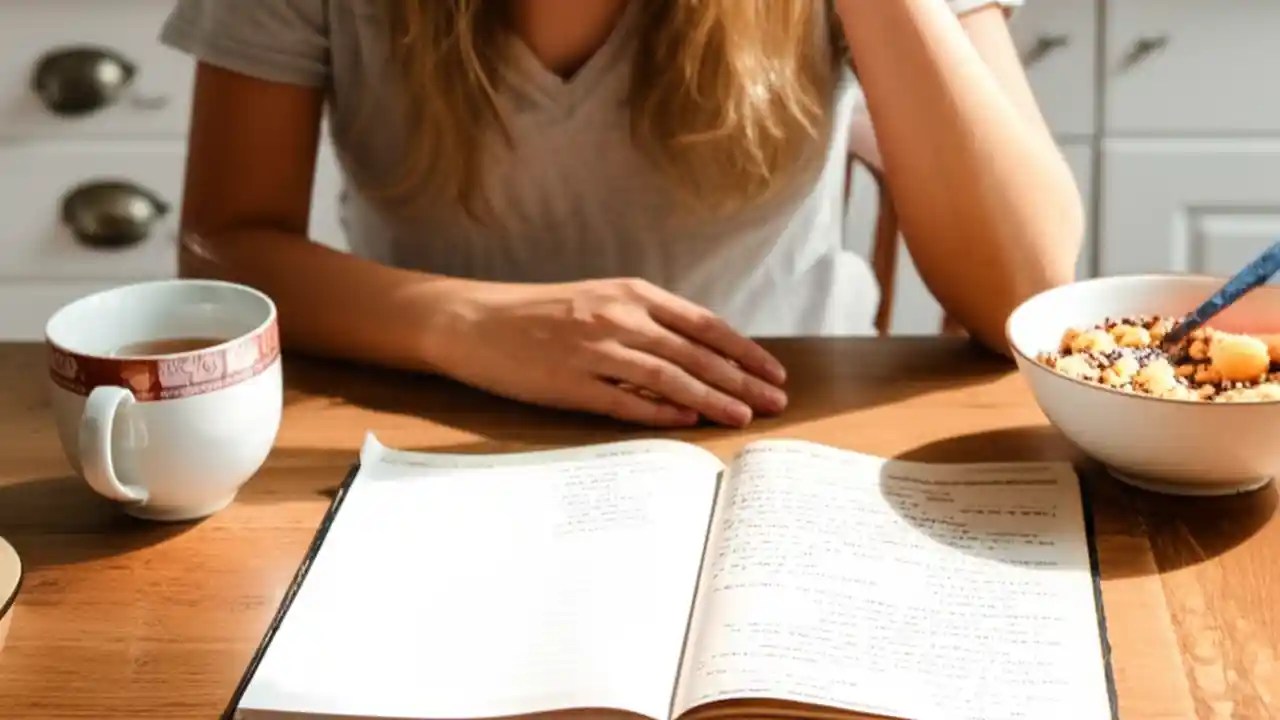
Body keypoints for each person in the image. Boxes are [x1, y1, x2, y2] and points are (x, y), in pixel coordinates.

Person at [160, 0, 1082, 428]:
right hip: (427, 430)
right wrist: (466, 323)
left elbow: (1026, 294)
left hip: (788, 434)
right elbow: (224, 248)